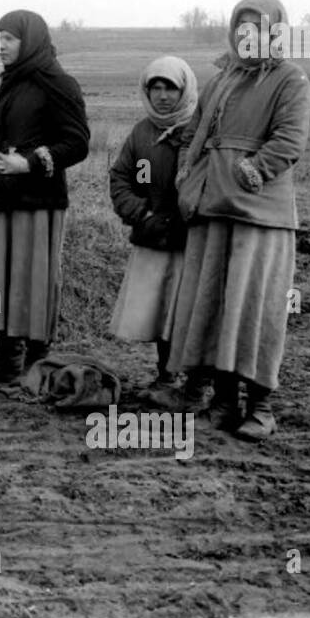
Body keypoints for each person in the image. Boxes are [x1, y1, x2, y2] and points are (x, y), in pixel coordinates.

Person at [165, 0, 310, 441]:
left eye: (257, 29)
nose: (247, 37)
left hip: (260, 214)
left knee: (257, 311)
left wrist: (253, 170)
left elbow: (289, 140)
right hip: (213, 210)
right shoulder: (223, 78)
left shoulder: (291, 80)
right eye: (240, 28)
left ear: (274, 32)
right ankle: (224, 403)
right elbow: (195, 130)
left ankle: (262, 407)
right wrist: (188, 172)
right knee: (215, 308)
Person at [0, 9, 90, 380]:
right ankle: (9, 350)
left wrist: (30, 163)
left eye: (8, 39)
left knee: (31, 276)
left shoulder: (59, 83)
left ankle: (37, 355)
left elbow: (78, 142)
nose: (0, 46)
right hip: (3, 197)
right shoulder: (13, 82)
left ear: (30, 41)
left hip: (37, 201)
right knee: (5, 277)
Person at [108, 56, 198, 389]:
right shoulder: (142, 133)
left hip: (192, 240)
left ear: (185, 89)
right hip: (153, 237)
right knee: (161, 310)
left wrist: (186, 217)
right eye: (155, 88)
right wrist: (141, 213)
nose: (162, 96)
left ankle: (196, 381)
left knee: (188, 310)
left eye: (170, 88)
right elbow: (121, 177)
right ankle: (166, 375)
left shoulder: (200, 130)